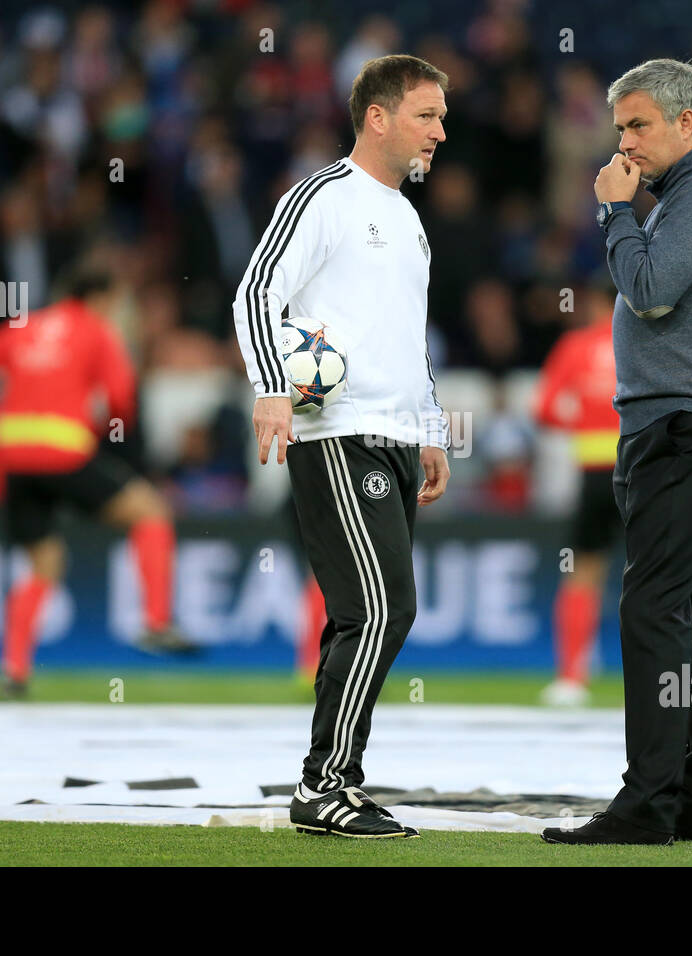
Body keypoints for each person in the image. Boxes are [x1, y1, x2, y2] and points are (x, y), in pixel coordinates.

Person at [232, 54, 451, 839]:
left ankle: (334, 784)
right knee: (384, 606)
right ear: (378, 116)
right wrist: (270, 388)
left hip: (392, 433)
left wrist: (427, 428)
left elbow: (407, 339)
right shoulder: (322, 196)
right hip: (334, 430)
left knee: (361, 614)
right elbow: (257, 289)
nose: (441, 131)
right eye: (427, 115)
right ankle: (323, 785)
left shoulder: (410, 219)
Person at [543, 58, 692, 846]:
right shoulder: (684, 200)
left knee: (650, 607)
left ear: (687, 124)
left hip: (684, 428)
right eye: (619, 126)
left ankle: (649, 803)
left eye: (636, 125)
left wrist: (612, 215)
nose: (622, 142)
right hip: (676, 426)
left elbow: (652, 289)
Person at [0, 270, 187, 699]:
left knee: (43, 567)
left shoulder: (24, 325)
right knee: (152, 512)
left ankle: (14, 671)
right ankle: (156, 622)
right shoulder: (97, 330)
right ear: (100, 298)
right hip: (64, 451)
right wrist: (106, 420)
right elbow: (120, 398)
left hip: (16, 458)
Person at [534, 302, 621, 706]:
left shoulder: (577, 344)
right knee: (659, 570)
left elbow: (545, 408)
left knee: (584, 569)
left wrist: (583, 424)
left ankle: (572, 676)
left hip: (593, 470)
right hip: (644, 465)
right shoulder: (645, 338)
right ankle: (672, 677)